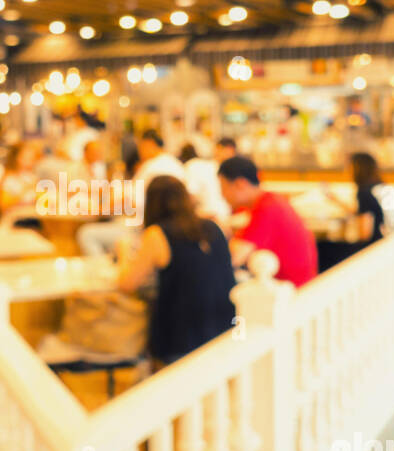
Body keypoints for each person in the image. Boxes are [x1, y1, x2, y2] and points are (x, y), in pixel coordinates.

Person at [116, 175, 236, 366]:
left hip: (181, 337)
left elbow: (127, 284)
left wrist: (122, 253)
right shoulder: (214, 226)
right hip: (223, 328)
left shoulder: (158, 233)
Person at [77, 129, 184, 256]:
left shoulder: (152, 167)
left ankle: (102, 272)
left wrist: (100, 211)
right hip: (171, 229)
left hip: (146, 230)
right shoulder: (175, 165)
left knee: (86, 235)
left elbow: (130, 202)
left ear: (148, 144)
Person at [217, 155, 318, 288]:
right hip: (298, 286)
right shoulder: (271, 200)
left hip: (291, 292)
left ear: (240, 184)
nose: (222, 195)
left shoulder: (267, 208)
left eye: (223, 187)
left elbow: (234, 258)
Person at [178, 142, 229, 223]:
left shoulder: (194, 166)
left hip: (212, 219)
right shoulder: (196, 166)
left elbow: (190, 197)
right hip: (215, 218)